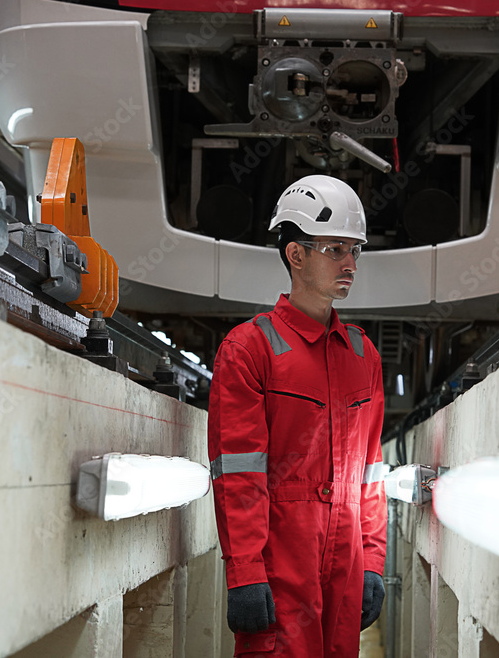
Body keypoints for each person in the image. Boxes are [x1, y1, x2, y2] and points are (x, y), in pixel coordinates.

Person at [207, 174, 387, 657]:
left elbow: (370, 472)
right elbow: (238, 474)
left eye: (355, 250)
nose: (349, 264)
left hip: (345, 565)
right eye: (334, 249)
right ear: (296, 254)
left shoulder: (362, 354)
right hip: (280, 565)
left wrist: (371, 561)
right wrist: (244, 571)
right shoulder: (249, 349)